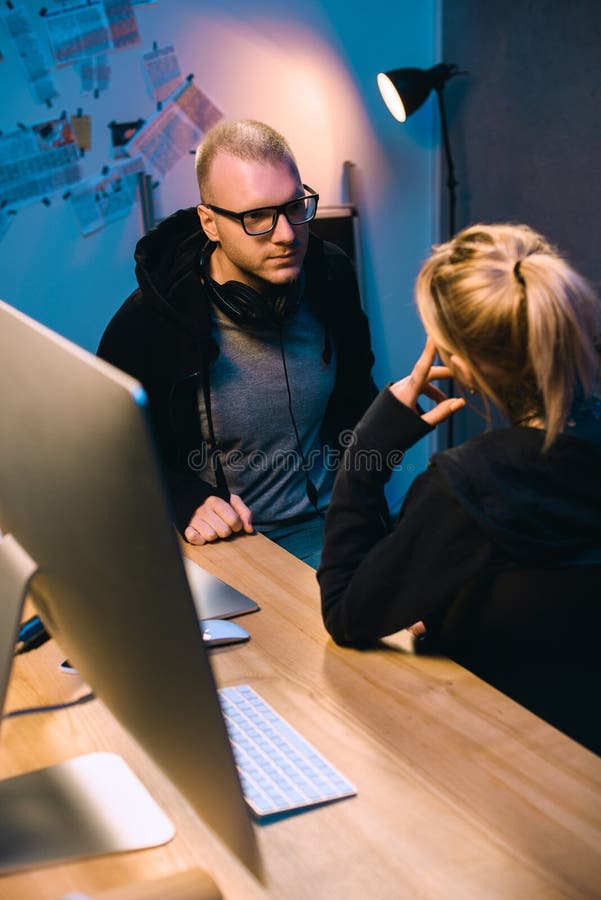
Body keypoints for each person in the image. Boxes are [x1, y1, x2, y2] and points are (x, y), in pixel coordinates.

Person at [318, 223, 601, 751]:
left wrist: (368, 448)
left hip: (502, 755)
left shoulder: (467, 487)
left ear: (465, 367)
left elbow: (345, 611)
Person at [98, 119, 376, 567]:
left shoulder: (330, 274)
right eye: (257, 217)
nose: (286, 234)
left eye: (294, 207)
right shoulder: (150, 320)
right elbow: (108, 455)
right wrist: (183, 498)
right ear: (210, 222)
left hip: (340, 532)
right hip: (234, 551)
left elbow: (358, 401)